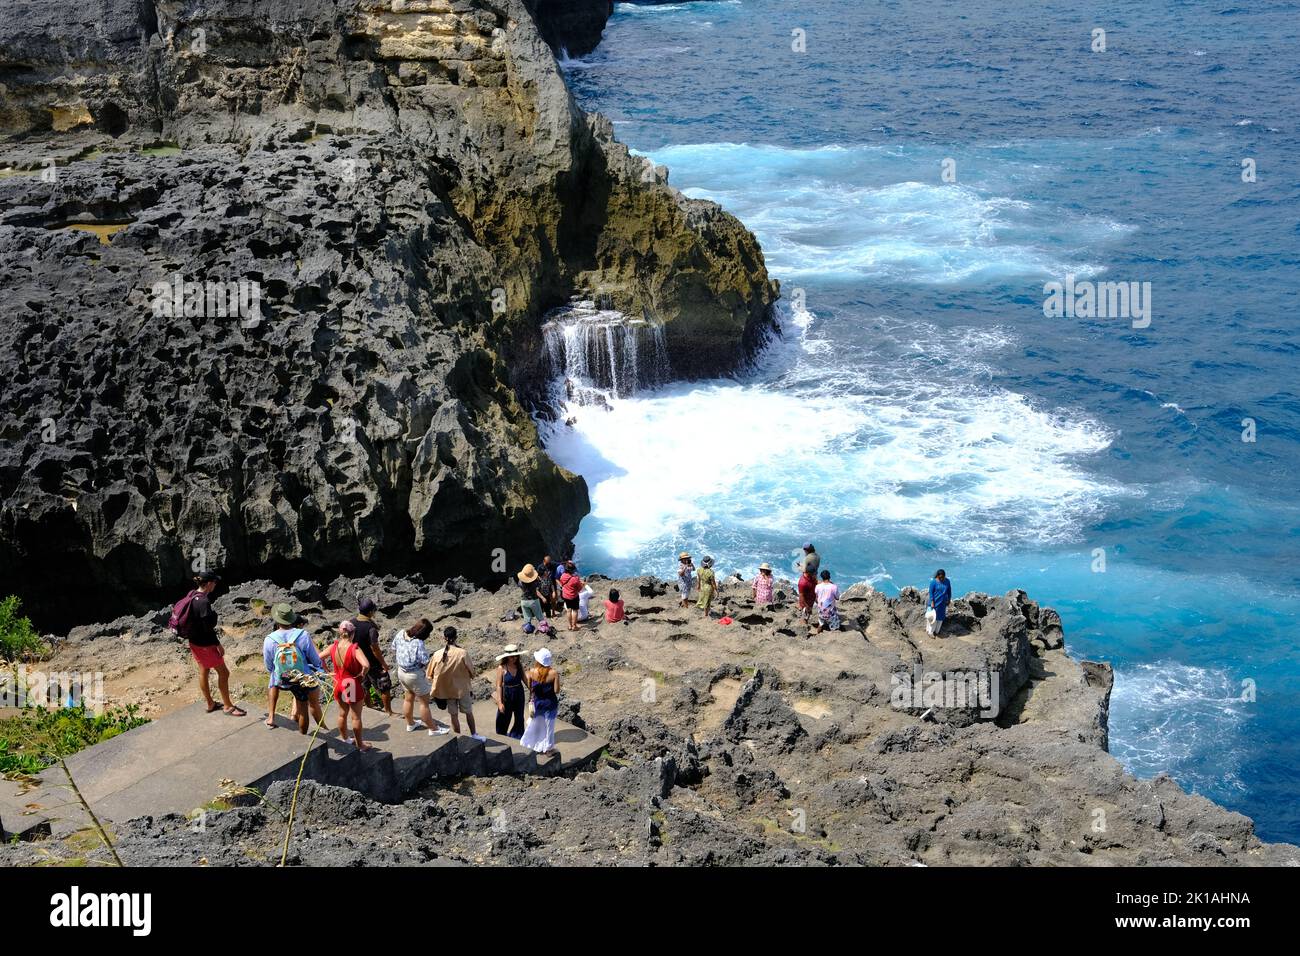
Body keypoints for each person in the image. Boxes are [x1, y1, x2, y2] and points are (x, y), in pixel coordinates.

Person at [181, 572, 245, 716]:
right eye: (215, 582)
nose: (216, 585)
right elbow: (207, 628)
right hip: (205, 644)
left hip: (194, 642)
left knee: (203, 670)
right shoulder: (203, 602)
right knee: (224, 672)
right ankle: (227, 706)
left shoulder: (192, 594)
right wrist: (217, 644)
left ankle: (210, 703)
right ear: (209, 583)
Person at [263, 602, 325, 731]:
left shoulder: (269, 639)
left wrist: (276, 673)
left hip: (281, 678)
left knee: (272, 679)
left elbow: (269, 664)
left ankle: (271, 716)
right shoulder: (303, 635)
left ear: (277, 620)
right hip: (300, 677)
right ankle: (303, 734)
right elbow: (315, 660)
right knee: (303, 708)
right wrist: (319, 668)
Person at [427, 626, 485, 740]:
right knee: (469, 713)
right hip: (462, 689)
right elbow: (472, 672)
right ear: (456, 637)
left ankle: (459, 737)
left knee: (454, 715)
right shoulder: (462, 653)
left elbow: (429, 674)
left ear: (444, 638)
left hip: (447, 691)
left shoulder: (437, 654)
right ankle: (474, 734)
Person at [323, 619, 371, 750]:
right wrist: (362, 674)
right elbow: (366, 664)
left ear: (340, 632)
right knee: (356, 717)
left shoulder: (334, 646)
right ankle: (360, 745)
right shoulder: (354, 648)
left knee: (342, 714)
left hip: (338, 682)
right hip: (351, 683)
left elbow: (319, 656)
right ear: (353, 633)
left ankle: (345, 739)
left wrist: (328, 671)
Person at [392, 618, 442, 735]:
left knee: (408, 699)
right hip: (414, 675)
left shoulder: (401, 633)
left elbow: (393, 648)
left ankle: (410, 724)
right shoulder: (418, 642)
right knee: (424, 704)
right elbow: (425, 660)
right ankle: (433, 729)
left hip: (402, 672)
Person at [351, 598, 396, 717]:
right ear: (371, 612)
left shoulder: (352, 623)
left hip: (358, 661)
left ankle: (369, 706)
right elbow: (375, 648)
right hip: (372, 662)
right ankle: (388, 711)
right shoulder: (370, 628)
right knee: (384, 686)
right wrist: (383, 663)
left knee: (364, 685)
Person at [520, 648, 560, 755]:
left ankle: (531, 743)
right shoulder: (554, 673)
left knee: (536, 724)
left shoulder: (532, 671)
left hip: (538, 703)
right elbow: (556, 691)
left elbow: (530, 688)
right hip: (550, 703)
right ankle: (549, 749)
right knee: (549, 727)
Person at [493, 644, 528, 739]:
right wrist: (500, 703)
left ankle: (517, 736)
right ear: (507, 657)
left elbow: (525, 680)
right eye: (512, 657)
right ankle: (501, 735)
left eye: (516, 656)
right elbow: (499, 685)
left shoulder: (519, 666)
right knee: (504, 716)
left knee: (519, 717)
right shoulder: (502, 668)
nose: (514, 658)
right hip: (507, 694)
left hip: (519, 693)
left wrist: (533, 690)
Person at [559, 560, 585, 632]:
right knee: (575, 610)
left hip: (566, 596)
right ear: (573, 570)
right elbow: (579, 589)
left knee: (569, 610)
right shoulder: (575, 579)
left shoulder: (562, 576)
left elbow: (562, 584)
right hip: (573, 596)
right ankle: (574, 626)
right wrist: (582, 584)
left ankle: (570, 626)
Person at [927, 569, 953, 636]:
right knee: (933, 618)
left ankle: (937, 631)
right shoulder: (933, 582)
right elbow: (931, 593)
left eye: (943, 577)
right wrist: (932, 602)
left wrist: (949, 600)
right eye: (940, 577)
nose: (941, 579)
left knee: (940, 618)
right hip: (935, 602)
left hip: (943, 603)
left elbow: (949, 591)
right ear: (937, 576)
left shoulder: (947, 581)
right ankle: (930, 632)